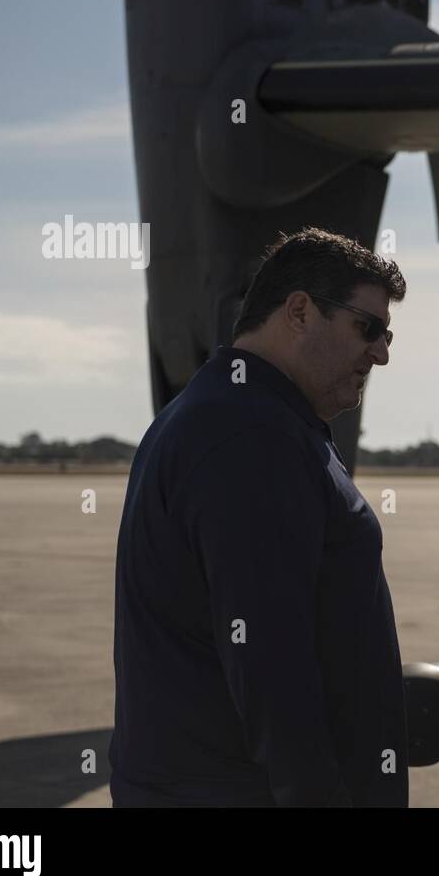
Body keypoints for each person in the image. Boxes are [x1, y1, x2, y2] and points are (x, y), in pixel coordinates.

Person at [109, 228, 408, 806]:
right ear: (299, 311)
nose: (382, 353)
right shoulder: (251, 436)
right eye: (367, 328)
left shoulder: (230, 413)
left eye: (387, 334)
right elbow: (271, 661)